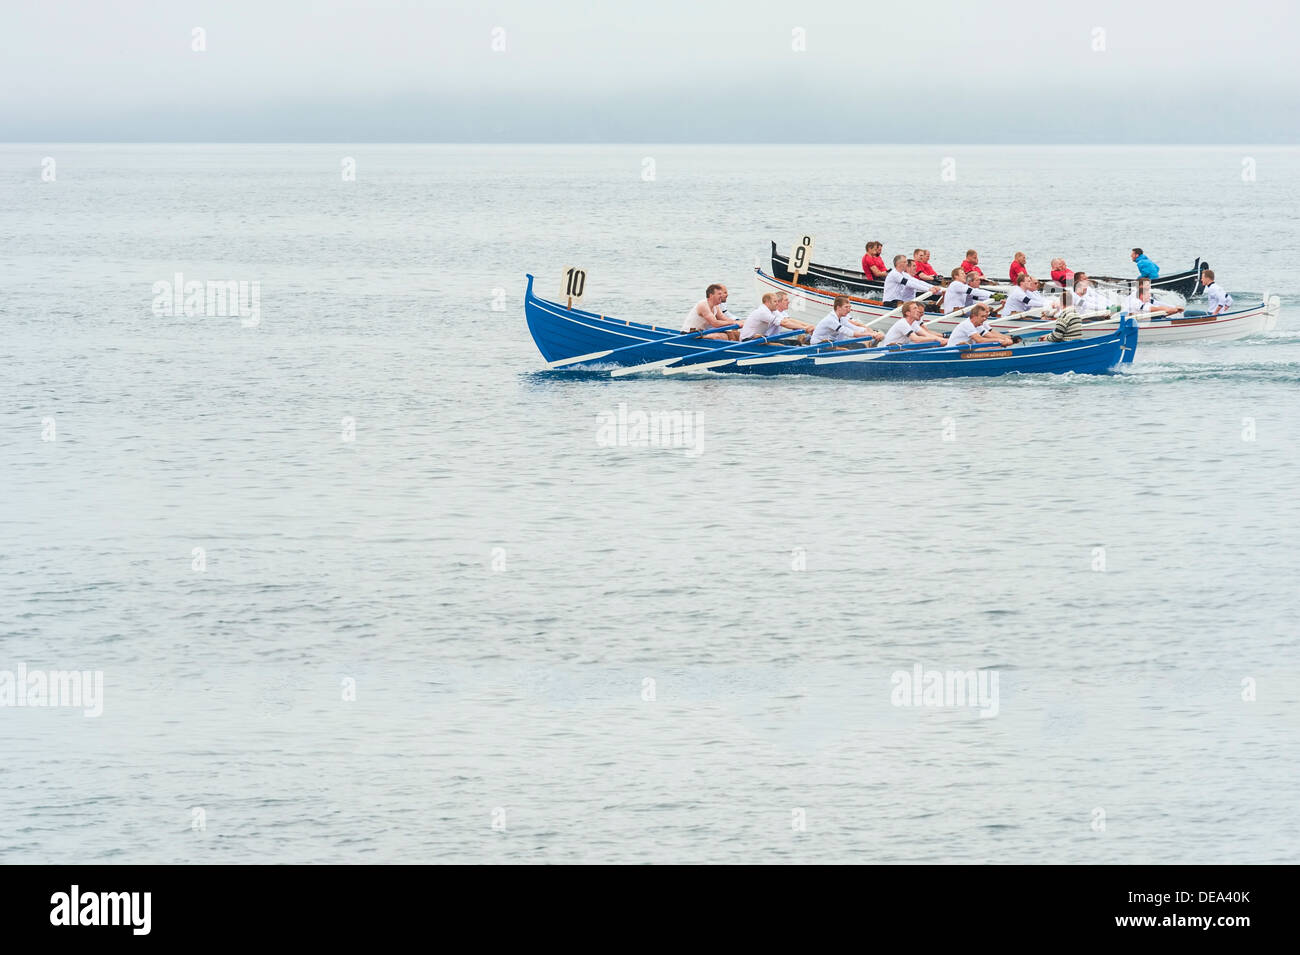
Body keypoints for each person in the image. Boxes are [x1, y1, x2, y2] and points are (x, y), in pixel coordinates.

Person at [809, 295, 884, 346]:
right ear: (838, 308)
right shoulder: (831, 320)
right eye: (846, 307)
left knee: (860, 345)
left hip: (831, 343)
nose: (849, 310)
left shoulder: (842, 318)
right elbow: (850, 333)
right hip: (818, 346)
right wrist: (871, 335)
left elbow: (856, 328)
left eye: (850, 307)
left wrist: (874, 333)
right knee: (860, 346)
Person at [739, 292, 814, 341]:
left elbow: (786, 321)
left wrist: (808, 326)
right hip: (748, 340)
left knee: (795, 343)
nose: (777, 304)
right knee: (794, 344)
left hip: (760, 338)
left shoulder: (773, 311)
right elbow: (784, 324)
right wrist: (805, 328)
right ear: (768, 302)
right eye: (775, 301)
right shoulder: (763, 312)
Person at [881, 301, 947, 347]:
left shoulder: (914, 323)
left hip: (899, 348)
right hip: (889, 351)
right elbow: (916, 339)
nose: (918, 310)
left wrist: (943, 339)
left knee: (933, 345)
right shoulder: (902, 323)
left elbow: (927, 335)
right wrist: (936, 339)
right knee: (932, 344)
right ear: (908, 313)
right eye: (915, 308)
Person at [947, 304, 1015, 348]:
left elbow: (990, 335)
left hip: (965, 351)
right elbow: (980, 340)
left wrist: (1009, 338)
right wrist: (1000, 340)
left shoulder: (978, 325)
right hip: (953, 352)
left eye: (985, 316)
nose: (985, 319)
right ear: (974, 316)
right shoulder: (967, 325)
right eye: (982, 316)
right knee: (993, 346)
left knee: (995, 346)